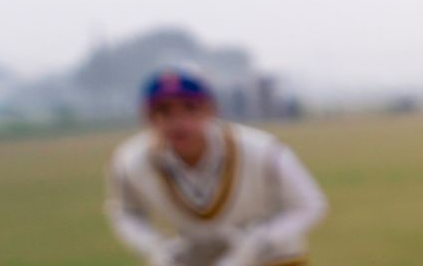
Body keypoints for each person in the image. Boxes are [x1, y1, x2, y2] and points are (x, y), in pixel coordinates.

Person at [106, 67, 328, 266]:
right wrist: (155, 246)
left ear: (210, 109)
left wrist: (257, 244)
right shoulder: (130, 161)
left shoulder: (263, 150)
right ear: (148, 116)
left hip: (273, 258)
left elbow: (311, 204)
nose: (178, 122)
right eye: (164, 111)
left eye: (189, 109)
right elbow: (125, 213)